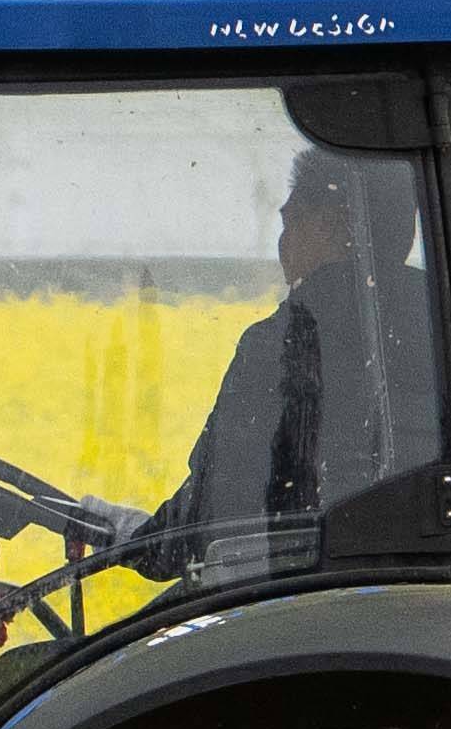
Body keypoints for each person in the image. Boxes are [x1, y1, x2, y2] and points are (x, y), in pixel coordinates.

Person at [168, 150, 435, 570]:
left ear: (335, 225)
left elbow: (215, 505)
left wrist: (137, 543)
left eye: (292, 222)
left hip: (308, 592)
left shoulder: (280, 342)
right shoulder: (440, 322)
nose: (282, 242)